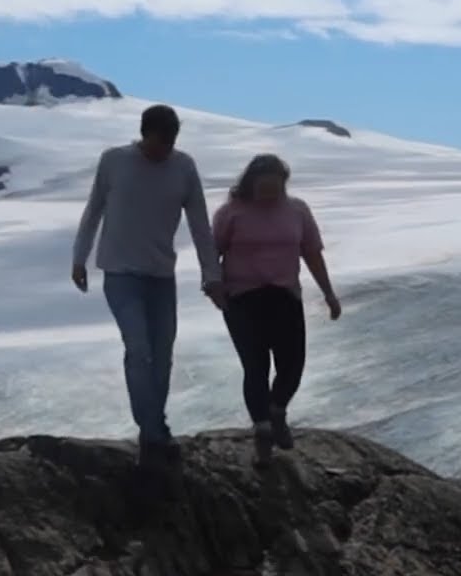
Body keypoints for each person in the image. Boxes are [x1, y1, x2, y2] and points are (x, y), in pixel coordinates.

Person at [71, 104, 225, 468]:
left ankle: (152, 428)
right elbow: (93, 210)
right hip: (121, 274)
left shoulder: (183, 167)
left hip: (161, 276)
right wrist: (80, 257)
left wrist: (213, 276)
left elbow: (201, 225)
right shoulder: (114, 162)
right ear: (145, 134)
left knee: (163, 355)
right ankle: (155, 432)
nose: (165, 149)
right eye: (160, 141)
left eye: (172, 141)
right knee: (138, 348)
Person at [211, 153, 340, 466]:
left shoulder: (297, 210)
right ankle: (263, 432)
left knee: (292, 365)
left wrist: (329, 293)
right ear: (250, 184)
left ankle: (277, 409)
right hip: (243, 298)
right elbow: (211, 253)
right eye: (263, 188)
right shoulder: (231, 212)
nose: (269, 195)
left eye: (275, 189)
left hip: (285, 296)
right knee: (255, 367)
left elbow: (311, 253)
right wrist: (213, 287)